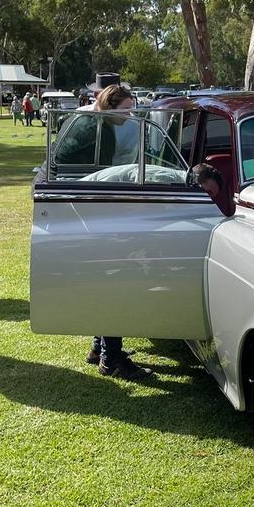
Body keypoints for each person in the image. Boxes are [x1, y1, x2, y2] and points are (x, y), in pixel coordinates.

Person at [85, 82, 153, 381]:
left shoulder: (99, 126)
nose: (130, 115)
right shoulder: (99, 130)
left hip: (99, 213)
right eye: (126, 110)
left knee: (106, 282)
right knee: (114, 283)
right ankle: (110, 358)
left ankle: (99, 347)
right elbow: (101, 175)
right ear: (109, 107)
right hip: (102, 213)